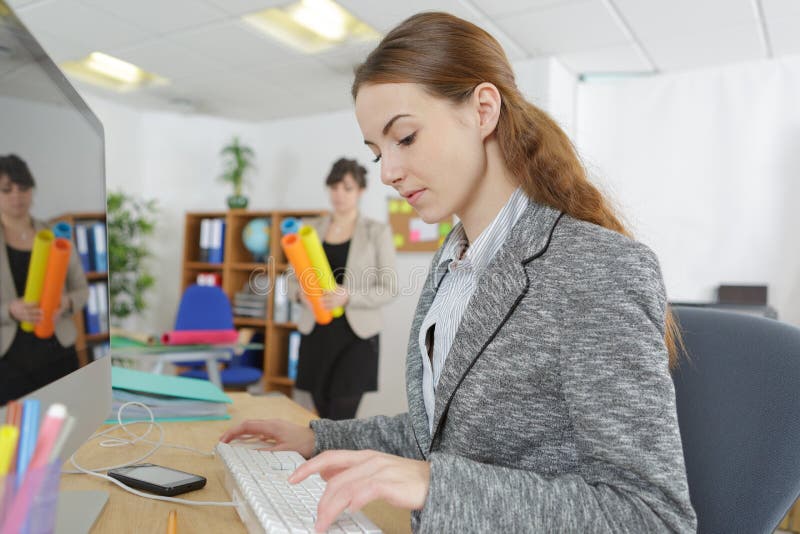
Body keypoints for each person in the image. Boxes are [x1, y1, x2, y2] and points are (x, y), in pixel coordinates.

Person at [222, 12, 697, 533]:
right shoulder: (453, 264)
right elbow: (440, 434)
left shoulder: (599, 268)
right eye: (377, 153)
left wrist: (433, 485)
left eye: (405, 138)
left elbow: (650, 518)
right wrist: (318, 439)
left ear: (483, 110)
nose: (388, 172)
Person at [288, 157, 397, 420]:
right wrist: (301, 295)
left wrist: (348, 296)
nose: (339, 194)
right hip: (316, 333)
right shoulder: (309, 229)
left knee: (342, 420)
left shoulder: (377, 231)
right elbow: (291, 279)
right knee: (322, 419)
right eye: (334, 187)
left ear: (361, 191)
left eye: (347, 188)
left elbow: (389, 288)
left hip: (356, 337)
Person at [0, 154, 89, 405]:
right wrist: (10, 310)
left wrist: (66, 302)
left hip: (58, 350)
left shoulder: (55, 234)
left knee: (68, 418)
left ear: (32, 190)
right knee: (14, 426)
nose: (17, 196)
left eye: (23, 188)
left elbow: (81, 290)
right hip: (9, 359)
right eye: (6, 190)